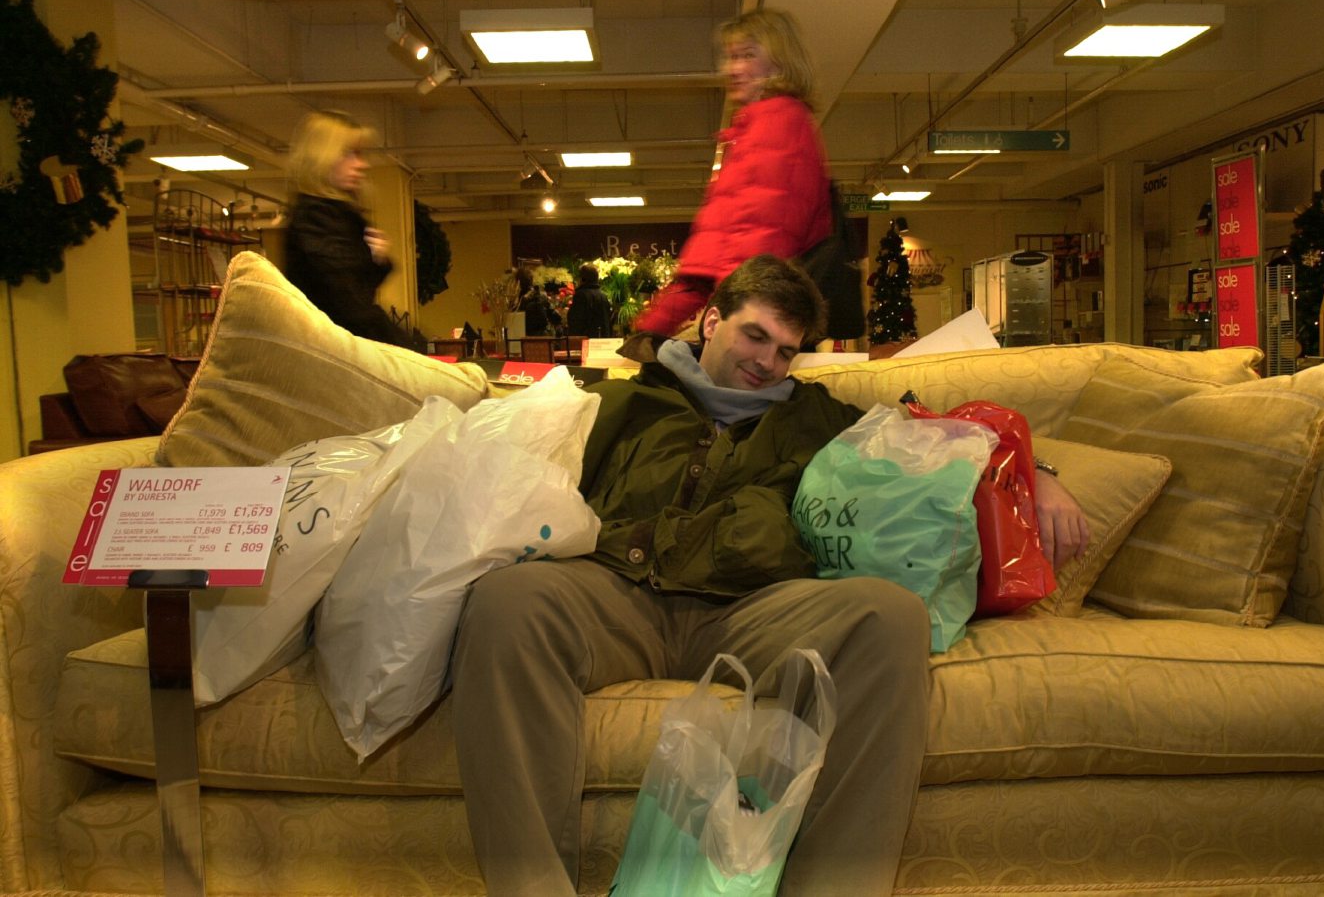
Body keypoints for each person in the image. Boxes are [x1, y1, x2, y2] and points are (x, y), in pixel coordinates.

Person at [449, 255, 1090, 897]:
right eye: (756, 336)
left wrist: (1041, 474)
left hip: (754, 609)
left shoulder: (816, 418)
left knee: (889, 614)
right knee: (508, 600)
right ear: (710, 321)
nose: (767, 362)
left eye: (787, 351)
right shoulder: (621, 400)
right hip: (618, 592)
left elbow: (942, 436)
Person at [634, 9, 832, 336]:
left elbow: (757, 251)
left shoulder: (781, 125)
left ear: (781, 62)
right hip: (746, 321)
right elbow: (708, 261)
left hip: (751, 332)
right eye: (731, 57)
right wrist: (648, 332)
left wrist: (720, 331)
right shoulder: (753, 132)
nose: (733, 68)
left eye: (748, 56)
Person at [282, 109, 418, 348]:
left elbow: (352, 292)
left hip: (336, 345)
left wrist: (377, 260)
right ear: (321, 157)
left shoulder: (332, 216)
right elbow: (347, 303)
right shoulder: (317, 217)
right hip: (333, 349)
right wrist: (407, 350)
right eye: (349, 154)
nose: (361, 164)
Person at [564, 263, 613, 338]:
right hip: (602, 340)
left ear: (582, 278)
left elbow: (576, 321)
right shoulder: (603, 296)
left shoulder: (580, 295)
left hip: (585, 340)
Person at [516, 266, 561, 336]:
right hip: (540, 334)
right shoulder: (539, 295)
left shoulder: (517, 299)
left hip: (523, 334)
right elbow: (553, 314)